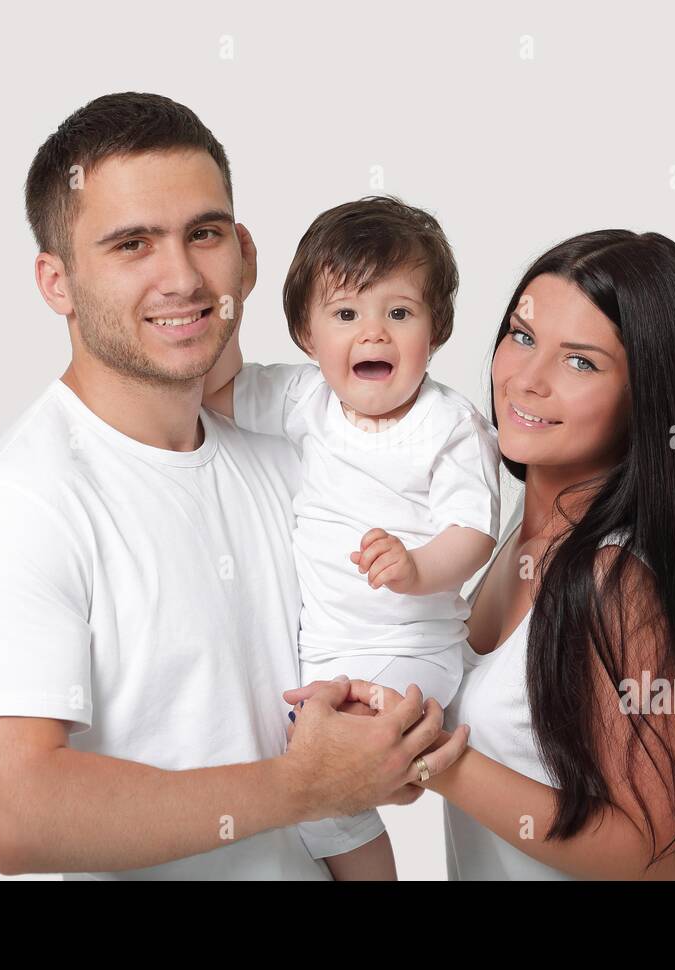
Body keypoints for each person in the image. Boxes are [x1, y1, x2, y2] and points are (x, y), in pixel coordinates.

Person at [0, 91, 468, 880]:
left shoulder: (291, 456)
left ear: (244, 254)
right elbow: (15, 816)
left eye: (204, 235)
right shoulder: (21, 503)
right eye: (131, 245)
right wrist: (303, 784)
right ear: (57, 282)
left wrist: (386, 748)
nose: (181, 276)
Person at [288, 231, 675, 880]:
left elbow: (654, 856)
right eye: (522, 335)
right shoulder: (510, 531)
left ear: (647, 398)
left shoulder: (615, 582)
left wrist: (423, 753)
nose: (527, 379)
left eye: (581, 363)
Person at [202, 196, 500, 878]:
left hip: (411, 653)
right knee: (314, 797)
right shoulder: (305, 400)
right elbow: (217, 390)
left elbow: (473, 533)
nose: (373, 335)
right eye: (344, 315)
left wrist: (417, 567)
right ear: (307, 336)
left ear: (437, 327)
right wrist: (228, 296)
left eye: (399, 313)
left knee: (341, 770)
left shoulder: (448, 425)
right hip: (325, 654)